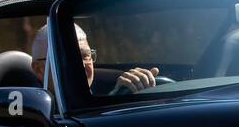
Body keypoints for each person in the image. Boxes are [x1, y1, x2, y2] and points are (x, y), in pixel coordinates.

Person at [30, 24, 159, 93]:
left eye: (85, 56)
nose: (80, 65)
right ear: (39, 70)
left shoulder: (113, 88)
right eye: (66, 58)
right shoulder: (35, 113)